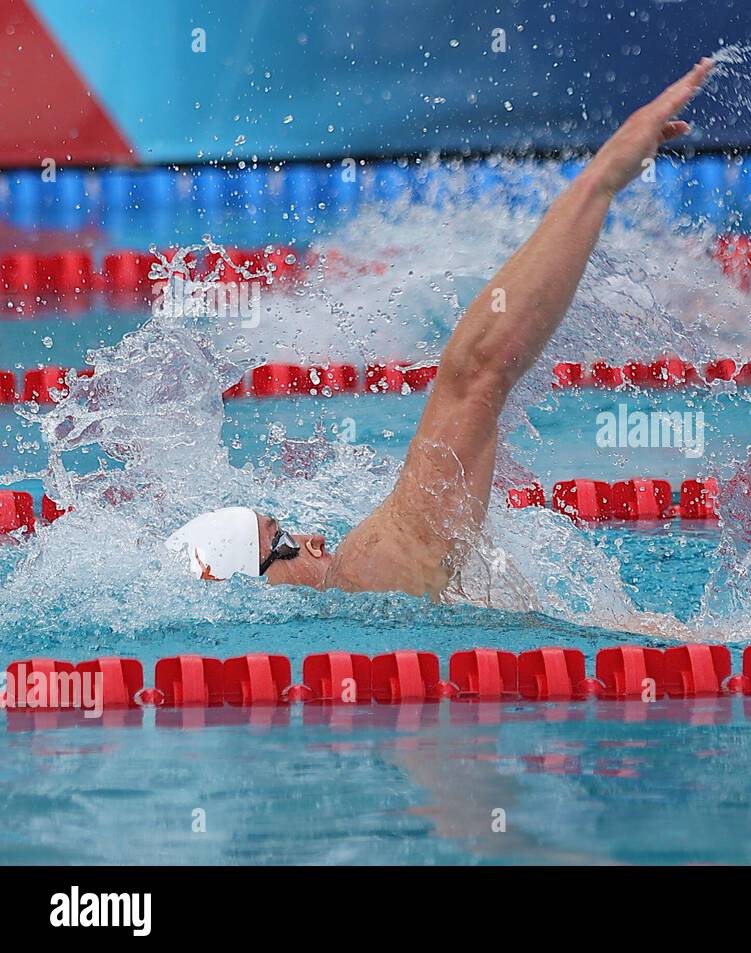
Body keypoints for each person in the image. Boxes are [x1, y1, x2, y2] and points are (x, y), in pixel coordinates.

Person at [167, 58, 716, 600]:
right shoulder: (367, 573)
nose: (315, 539)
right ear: (254, 580)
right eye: (281, 538)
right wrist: (602, 179)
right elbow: (476, 374)